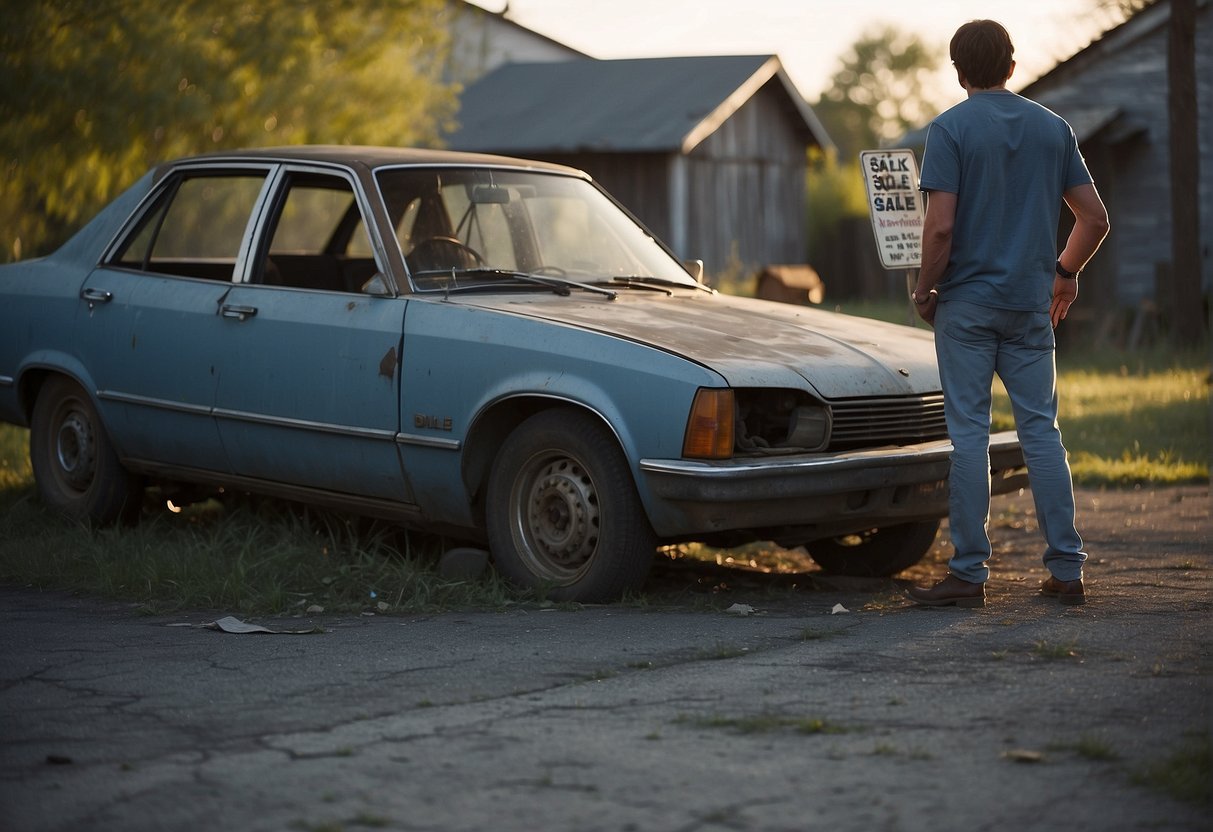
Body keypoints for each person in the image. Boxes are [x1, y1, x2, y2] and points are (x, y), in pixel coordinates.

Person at [906, 19, 1110, 608]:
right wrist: (1065, 274)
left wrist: (924, 289)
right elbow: (1093, 217)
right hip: (1029, 308)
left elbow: (940, 225)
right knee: (1041, 432)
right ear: (1013, 67)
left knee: (969, 437)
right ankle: (1067, 569)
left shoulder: (949, 130)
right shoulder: (1053, 129)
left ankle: (969, 574)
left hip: (966, 307)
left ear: (958, 70)